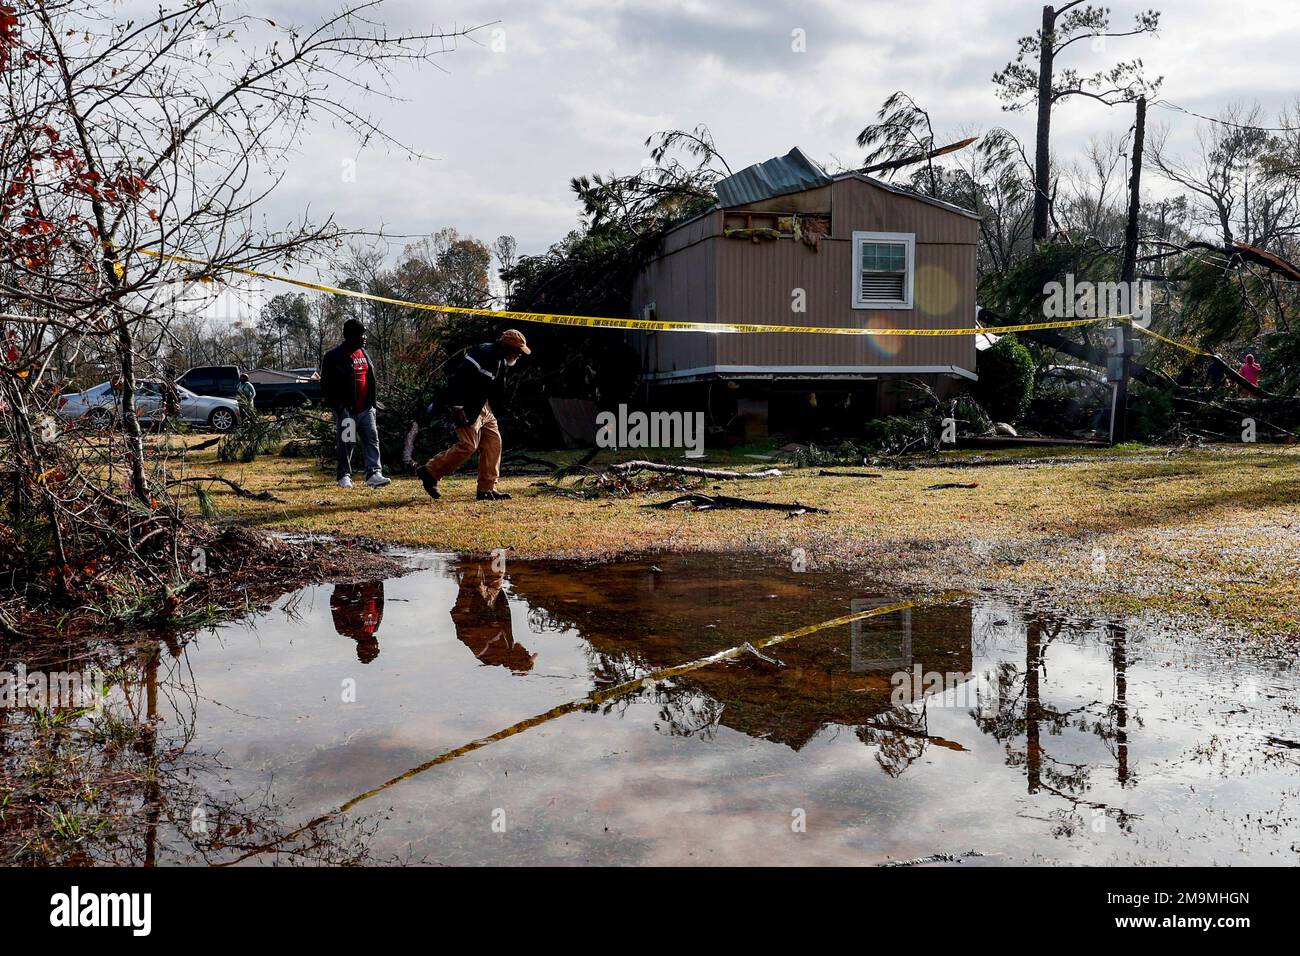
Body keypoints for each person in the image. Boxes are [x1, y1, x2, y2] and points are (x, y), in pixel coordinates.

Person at [413, 329, 530, 501]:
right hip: (466, 406)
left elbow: (497, 392)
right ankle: (429, 472)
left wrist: (503, 412)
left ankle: (486, 489)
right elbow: (457, 380)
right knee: (468, 445)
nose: (519, 355)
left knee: (493, 444)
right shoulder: (482, 352)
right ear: (507, 347)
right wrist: (457, 407)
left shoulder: (502, 362)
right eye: (518, 351)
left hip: (485, 407)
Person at [321, 318, 390, 489]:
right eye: (361, 334)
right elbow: (326, 386)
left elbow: (370, 378)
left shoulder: (364, 353)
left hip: (366, 409)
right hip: (347, 410)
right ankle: (344, 475)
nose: (364, 338)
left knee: (372, 440)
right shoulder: (333, 357)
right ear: (350, 336)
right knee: (347, 443)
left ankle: (374, 474)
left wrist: (373, 404)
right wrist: (339, 408)